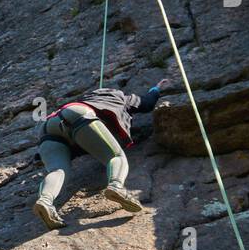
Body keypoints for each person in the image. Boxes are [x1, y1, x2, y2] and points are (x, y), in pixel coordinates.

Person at [32, 78, 175, 230]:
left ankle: (45, 201)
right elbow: (146, 103)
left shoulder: (86, 98)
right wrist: (156, 89)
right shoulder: (121, 97)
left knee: (57, 170)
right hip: (79, 115)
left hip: (48, 127)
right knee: (116, 157)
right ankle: (116, 186)